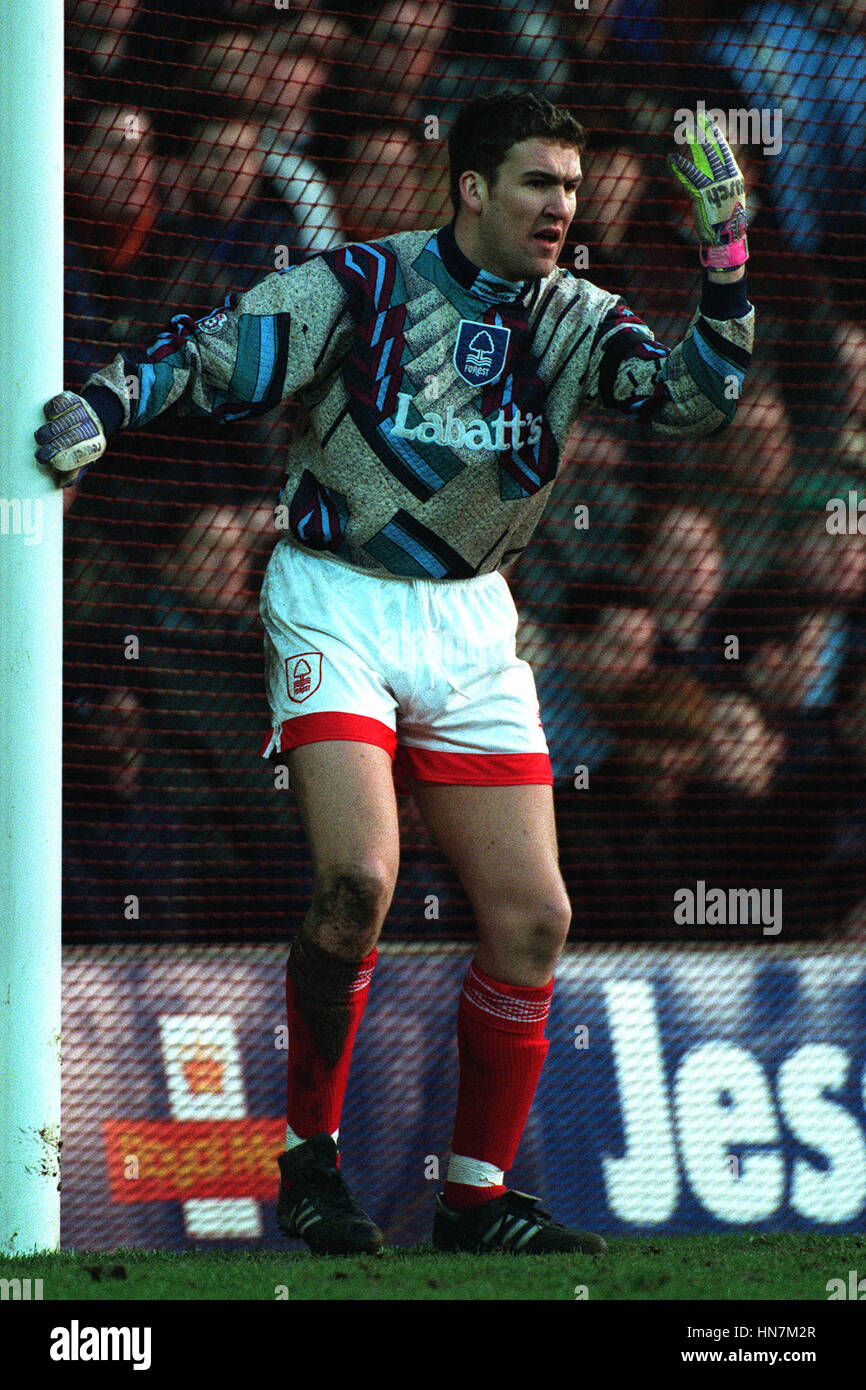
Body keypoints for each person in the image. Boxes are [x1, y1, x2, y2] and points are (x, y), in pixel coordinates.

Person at [36, 91, 754, 1256]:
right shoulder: (360, 285)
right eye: (536, 183)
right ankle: (310, 1164)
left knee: (533, 919)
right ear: (469, 187)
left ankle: (471, 1200)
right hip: (337, 600)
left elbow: (695, 400)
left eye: (570, 188)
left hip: (474, 622)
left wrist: (723, 260)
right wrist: (106, 403)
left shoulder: (575, 317)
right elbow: (217, 350)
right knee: (357, 884)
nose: (559, 209)